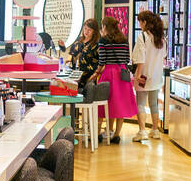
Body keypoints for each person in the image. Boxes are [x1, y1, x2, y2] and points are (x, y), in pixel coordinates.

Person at [94, 16, 138, 144]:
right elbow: (127, 59)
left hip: (108, 73)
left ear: (105, 27)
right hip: (122, 73)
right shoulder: (124, 40)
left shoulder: (103, 41)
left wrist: (95, 74)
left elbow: (102, 61)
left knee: (102, 103)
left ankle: (97, 134)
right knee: (120, 104)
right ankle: (117, 135)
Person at [132, 10, 167, 141]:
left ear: (144, 22)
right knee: (153, 103)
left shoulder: (143, 37)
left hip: (144, 76)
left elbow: (140, 59)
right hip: (157, 76)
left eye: (140, 22)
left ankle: (142, 131)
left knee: (140, 103)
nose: (140, 24)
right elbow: (163, 57)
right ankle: (155, 130)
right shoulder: (161, 39)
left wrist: (138, 75)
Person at [71, 18, 100, 92]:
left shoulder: (96, 45)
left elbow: (101, 62)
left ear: (94, 31)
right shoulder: (78, 41)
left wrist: (95, 75)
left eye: (89, 30)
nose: (86, 31)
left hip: (88, 78)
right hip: (75, 76)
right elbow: (71, 54)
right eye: (85, 29)